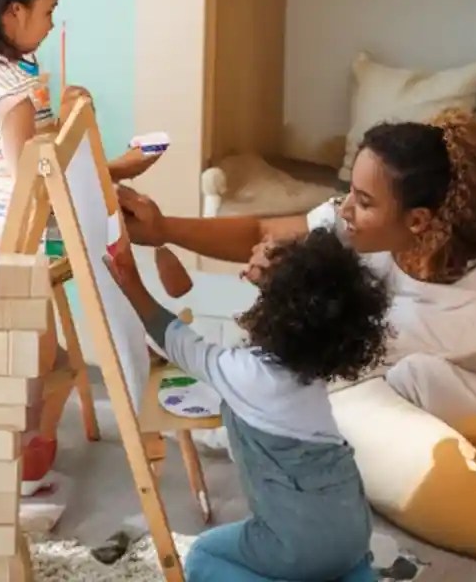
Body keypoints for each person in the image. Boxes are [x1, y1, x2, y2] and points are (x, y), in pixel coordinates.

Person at [118, 109, 476, 424]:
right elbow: (264, 230)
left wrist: (283, 283)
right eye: (350, 193)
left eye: (365, 201)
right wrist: (163, 229)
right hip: (385, 374)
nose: (346, 210)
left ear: (417, 220)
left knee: (292, 401)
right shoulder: (373, 229)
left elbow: (331, 353)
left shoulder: (470, 306)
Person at [0, 0, 158, 488]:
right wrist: (112, 165)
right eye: (48, 11)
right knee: (26, 357)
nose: (53, 23)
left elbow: (32, 149)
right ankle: (14, 460)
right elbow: (30, 176)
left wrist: (68, 114)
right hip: (9, 236)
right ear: (13, 12)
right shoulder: (10, 91)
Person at [105, 228, 386, 582]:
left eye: (271, 250)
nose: (262, 245)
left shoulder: (248, 375)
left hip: (298, 544)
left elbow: (178, 341)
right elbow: (310, 294)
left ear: (275, 305)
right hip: (353, 533)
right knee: (336, 563)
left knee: (204, 556)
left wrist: (130, 281)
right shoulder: (310, 371)